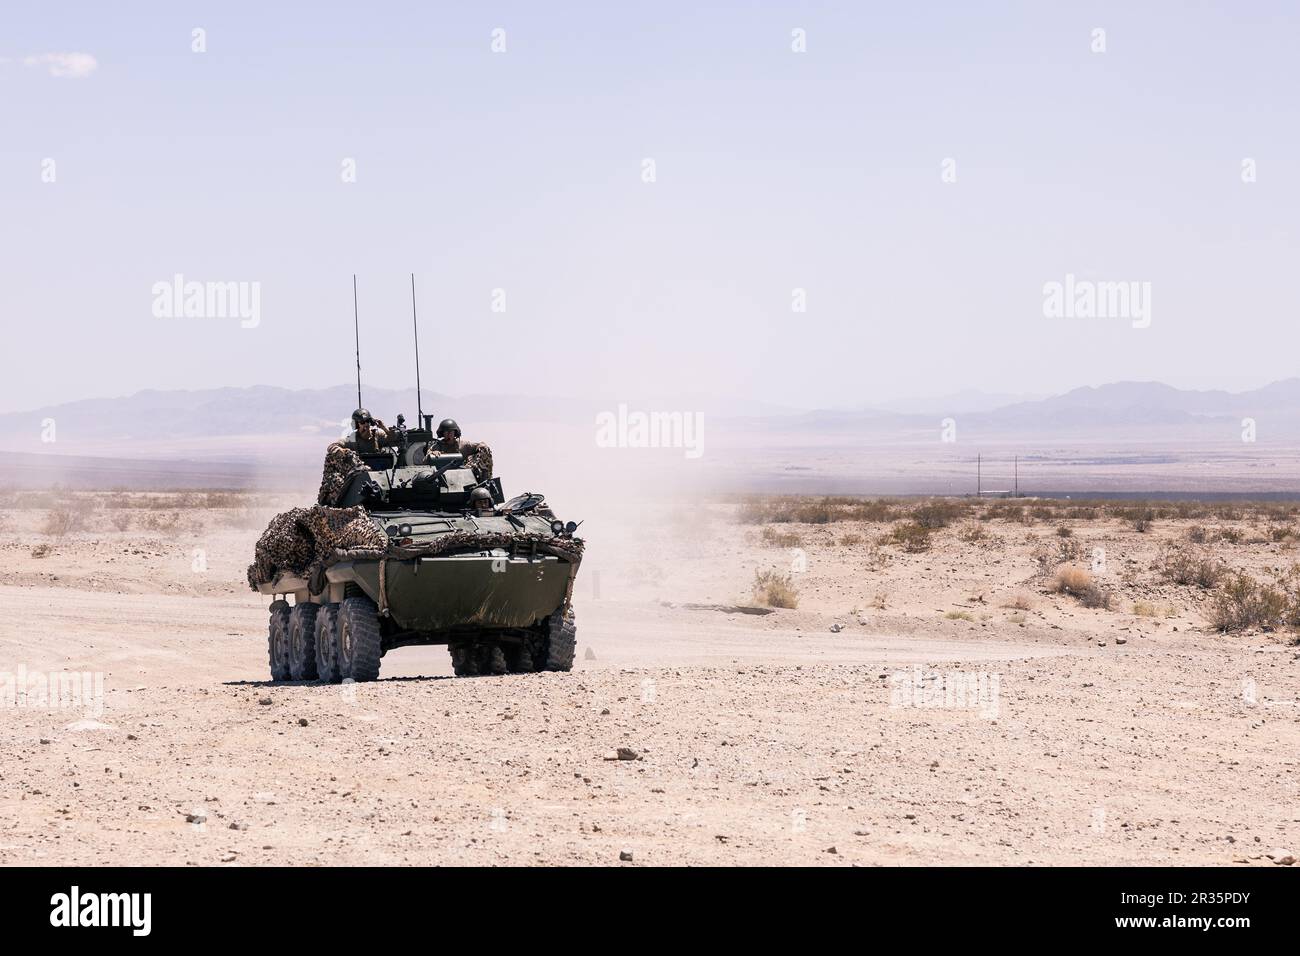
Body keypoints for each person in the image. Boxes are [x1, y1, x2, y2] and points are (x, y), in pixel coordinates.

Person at [427, 417, 493, 481]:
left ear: (455, 432)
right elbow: (425, 459)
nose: (449, 434)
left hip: (463, 478)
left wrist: (481, 448)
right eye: (446, 431)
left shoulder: (463, 445)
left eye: (451, 431)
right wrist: (432, 453)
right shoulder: (437, 446)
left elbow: (480, 445)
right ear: (442, 433)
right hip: (442, 478)